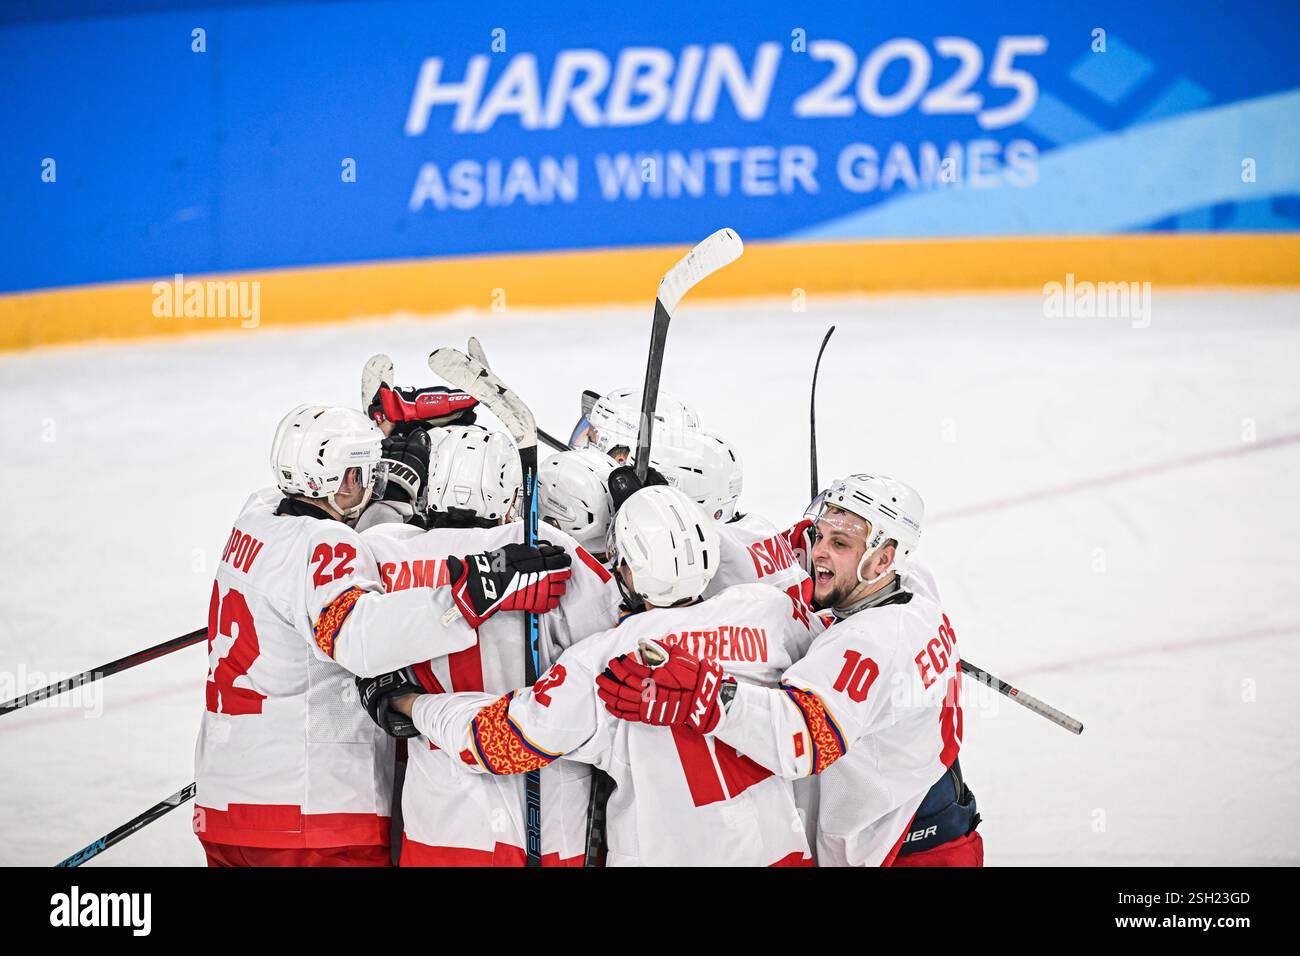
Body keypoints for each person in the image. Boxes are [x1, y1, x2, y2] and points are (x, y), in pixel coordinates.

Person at [192, 403, 571, 866]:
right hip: (309, 817)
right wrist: (471, 593)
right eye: (366, 473)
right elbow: (360, 640)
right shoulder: (326, 545)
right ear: (347, 480)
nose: (374, 483)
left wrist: (380, 475)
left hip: (225, 807)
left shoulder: (255, 515)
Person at [386, 486, 816, 866]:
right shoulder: (771, 611)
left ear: (627, 567)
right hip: (780, 851)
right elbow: (824, 659)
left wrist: (411, 703)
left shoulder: (607, 658)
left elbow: (496, 743)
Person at [597, 474, 983, 867]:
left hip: (905, 849)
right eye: (820, 536)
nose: (819, 552)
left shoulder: (870, 642)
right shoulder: (915, 589)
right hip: (940, 813)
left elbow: (805, 739)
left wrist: (708, 696)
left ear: (883, 559)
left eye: (840, 544)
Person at [357, 425, 621, 866]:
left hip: (437, 819)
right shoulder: (543, 545)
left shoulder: (382, 551)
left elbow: (352, 630)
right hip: (548, 814)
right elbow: (616, 640)